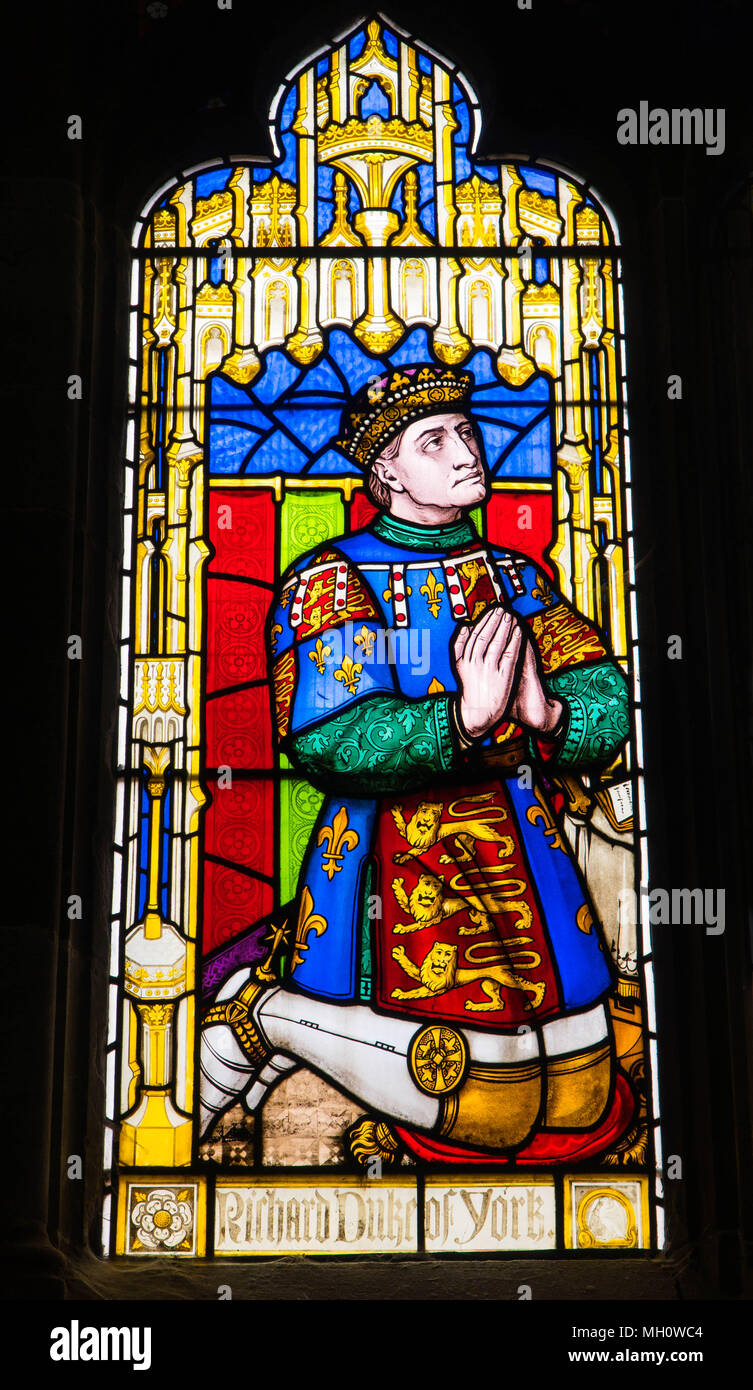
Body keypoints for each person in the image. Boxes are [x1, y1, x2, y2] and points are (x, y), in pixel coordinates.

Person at [200, 363, 635, 1165]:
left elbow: (603, 690)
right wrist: (461, 719)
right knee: (490, 1106)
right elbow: (329, 735)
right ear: (386, 473)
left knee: (582, 1098)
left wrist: (551, 715)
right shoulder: (333, 580)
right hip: (396, 865)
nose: (467, 449)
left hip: (528, 860)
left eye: (467, 432)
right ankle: (263, 1014)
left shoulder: (516, 578)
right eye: (434, 440)